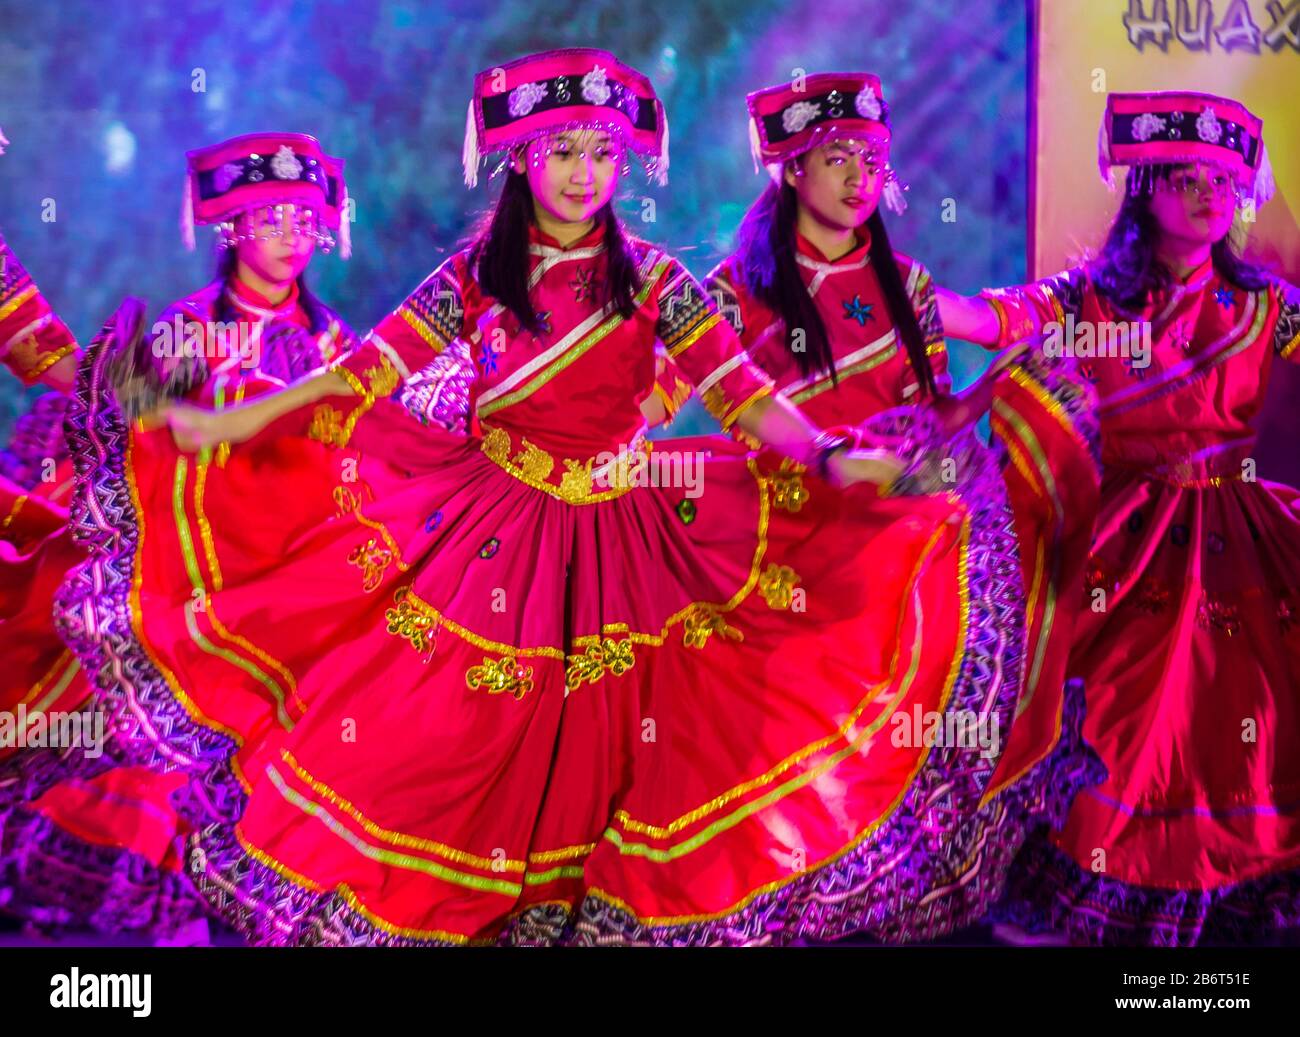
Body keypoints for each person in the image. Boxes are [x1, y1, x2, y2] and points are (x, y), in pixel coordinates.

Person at [938, 90, 1300, 945]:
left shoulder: (1264, 306)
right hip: (1123, 534)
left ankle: (1228, 886)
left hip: (1237, 532)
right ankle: (1112, 889)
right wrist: (900, 291)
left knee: (1246, 713)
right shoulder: (1091, 299)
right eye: (1185, 177)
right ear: (1144, 190)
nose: (1209, 194)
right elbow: (992, 319)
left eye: (1222, 178)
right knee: (1116, 712)